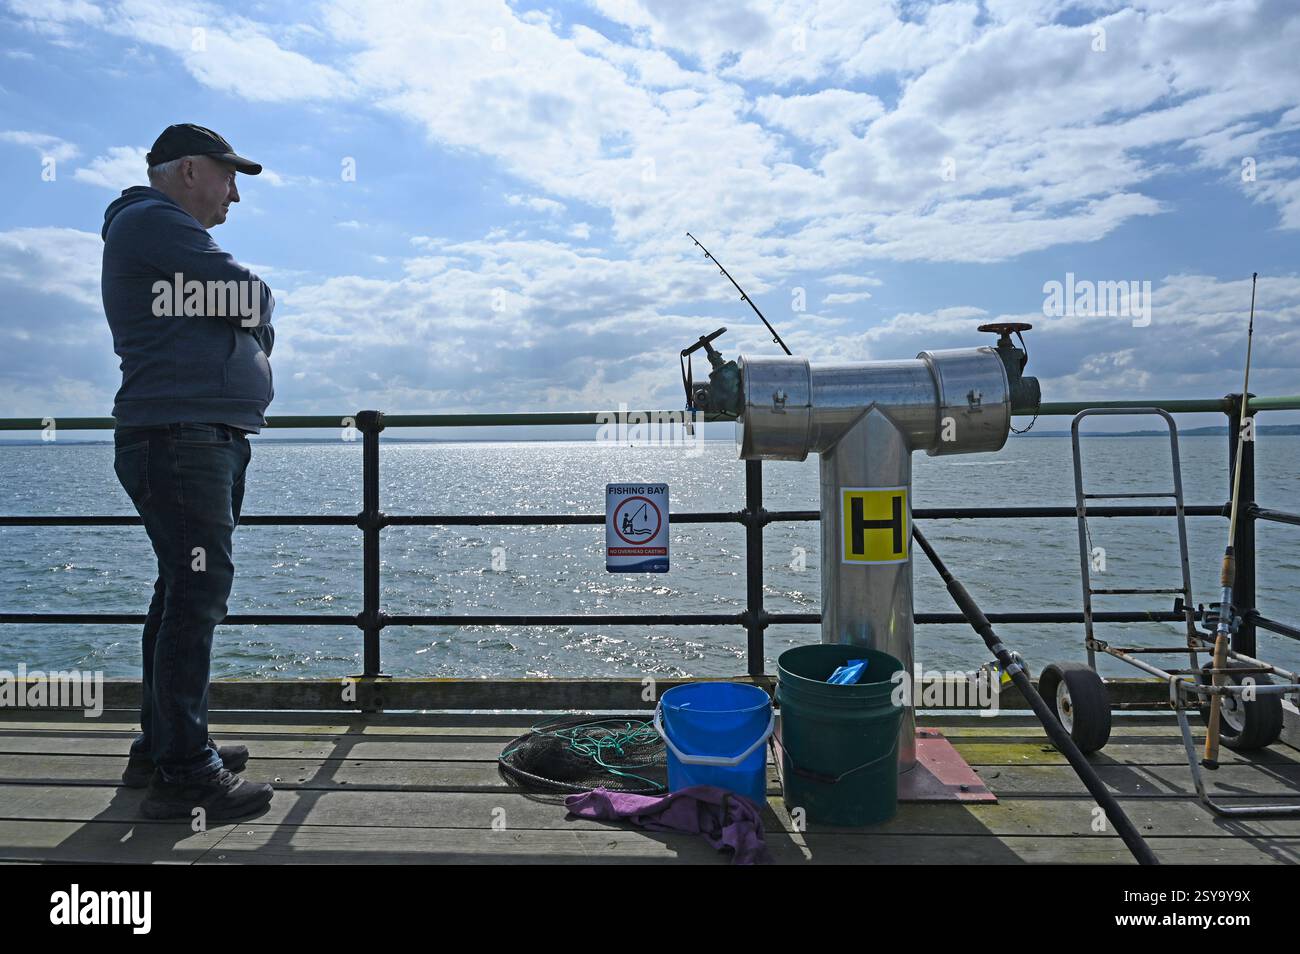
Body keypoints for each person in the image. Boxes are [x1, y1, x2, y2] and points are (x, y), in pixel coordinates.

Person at [102, 123, 276, 820]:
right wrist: (246, 313)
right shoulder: (155, 220)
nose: (234, 194)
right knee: (196, 594)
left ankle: (165, 746)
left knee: (180, 592)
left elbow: (242, 308)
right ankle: (184, 776)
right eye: (227, 176)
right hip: (181, 436)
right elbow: (252, 299)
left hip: (193, 433)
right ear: (188, 171)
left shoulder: (159, 233)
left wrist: (239, 314)